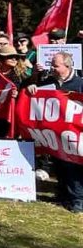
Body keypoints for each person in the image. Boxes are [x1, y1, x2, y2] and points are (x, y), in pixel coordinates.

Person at [25, 52, 83, 213]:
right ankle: (63, 196)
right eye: (52, 64)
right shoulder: (49, 82)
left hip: (75, 136)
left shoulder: (79, 83)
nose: (52, 68)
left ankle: (78, 200)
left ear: (67, 66)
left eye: (55, 65)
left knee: (74, 168)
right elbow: (35, 98)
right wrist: (32, 87)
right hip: (56, 136)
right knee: (60, 166)